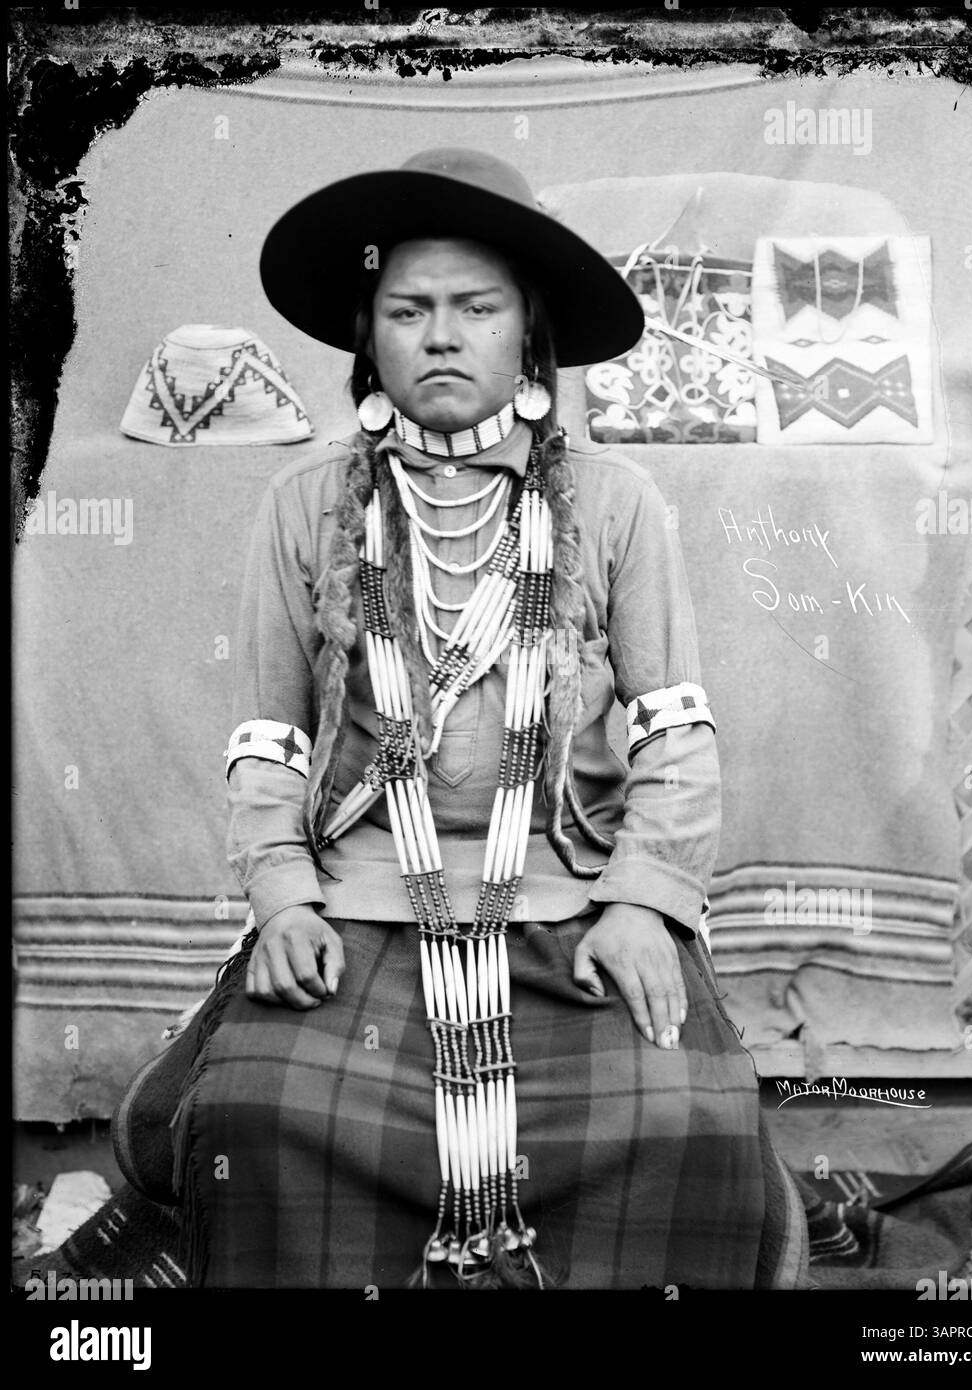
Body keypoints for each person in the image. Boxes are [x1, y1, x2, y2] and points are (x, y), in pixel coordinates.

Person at [128, 147, 808, 1290]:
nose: (440, 335)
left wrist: (643, 904)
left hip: (570, 894)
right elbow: (268, 740)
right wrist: (284, 900)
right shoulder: (303, 507)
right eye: (408, 309)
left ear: (526, 333)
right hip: (357, 899)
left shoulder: (613, 503)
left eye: (474, 307)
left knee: (687, 1113)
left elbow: (673, 732)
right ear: (367, 336)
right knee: (258, 1112)